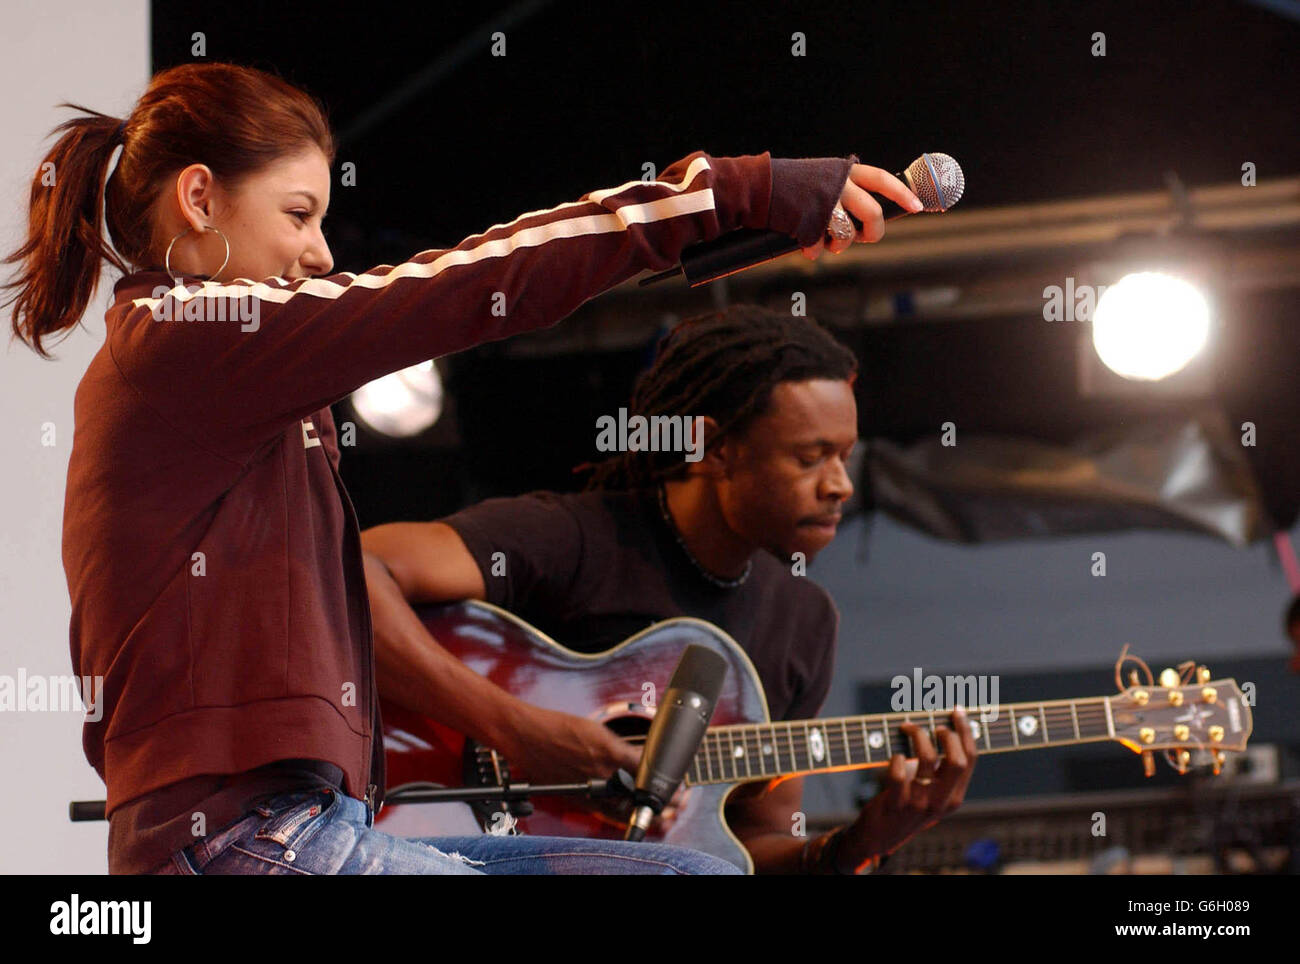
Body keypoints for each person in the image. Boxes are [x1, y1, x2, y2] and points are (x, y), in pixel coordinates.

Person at [2, 61, 923, 874]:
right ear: (199, 200)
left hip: (306, 824)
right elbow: (468, 288)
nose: (321, 252)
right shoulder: (184, 338)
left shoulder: (217, 369)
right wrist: (729, 193)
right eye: (298, 214)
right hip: (242, 841)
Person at [361, 306, 977, 874]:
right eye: (811, 457)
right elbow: (356, 568)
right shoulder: (575, 537)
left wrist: (859, 843)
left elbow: (749, 844)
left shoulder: (803, 621)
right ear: (713, 449)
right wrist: (517, 730)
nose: (840, 485)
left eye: (844, 456)